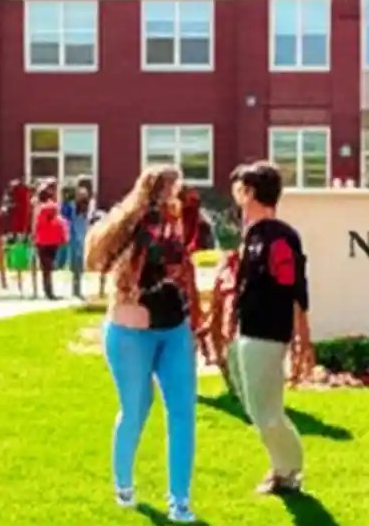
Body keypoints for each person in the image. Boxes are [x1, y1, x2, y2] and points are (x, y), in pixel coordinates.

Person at [85, 165, 203, 523]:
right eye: (171, 188)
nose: (175, 195)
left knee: (183, 413)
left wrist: (196, 316)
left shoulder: (184, 225)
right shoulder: (133, 225)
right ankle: (124, 485)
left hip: (173, 329)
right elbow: (101, 259)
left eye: (177, 189)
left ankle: (179, 501)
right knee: (136, 410)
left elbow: (188, 267)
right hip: (131, 331)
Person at [228, 160, 315, 495]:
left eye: (241, 189)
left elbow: (294, 287)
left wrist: (301, 338)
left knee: (267, 410)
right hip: (248, 329)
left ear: (250, 192)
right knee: (255, 406)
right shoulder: (252, 235)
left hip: (268, 331)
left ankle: (289, 469)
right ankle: (283, 466)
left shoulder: (280, 237)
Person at [64, 182, 99, 300]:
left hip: (83, 239)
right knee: (75, 266)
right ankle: (75, 290)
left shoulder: (86, 212)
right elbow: (66, 219)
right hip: (74, 240)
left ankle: (77, 289)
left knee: (79, 266)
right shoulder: (72, 208)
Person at [33, 180, 66, 300]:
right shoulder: (51, 207)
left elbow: (37, 225)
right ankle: (49, 291)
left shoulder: (38, 209)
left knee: (45, 268)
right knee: (49, 267)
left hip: (42, 241)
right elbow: (59, 223)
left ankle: (48, 290)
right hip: (52, 241)